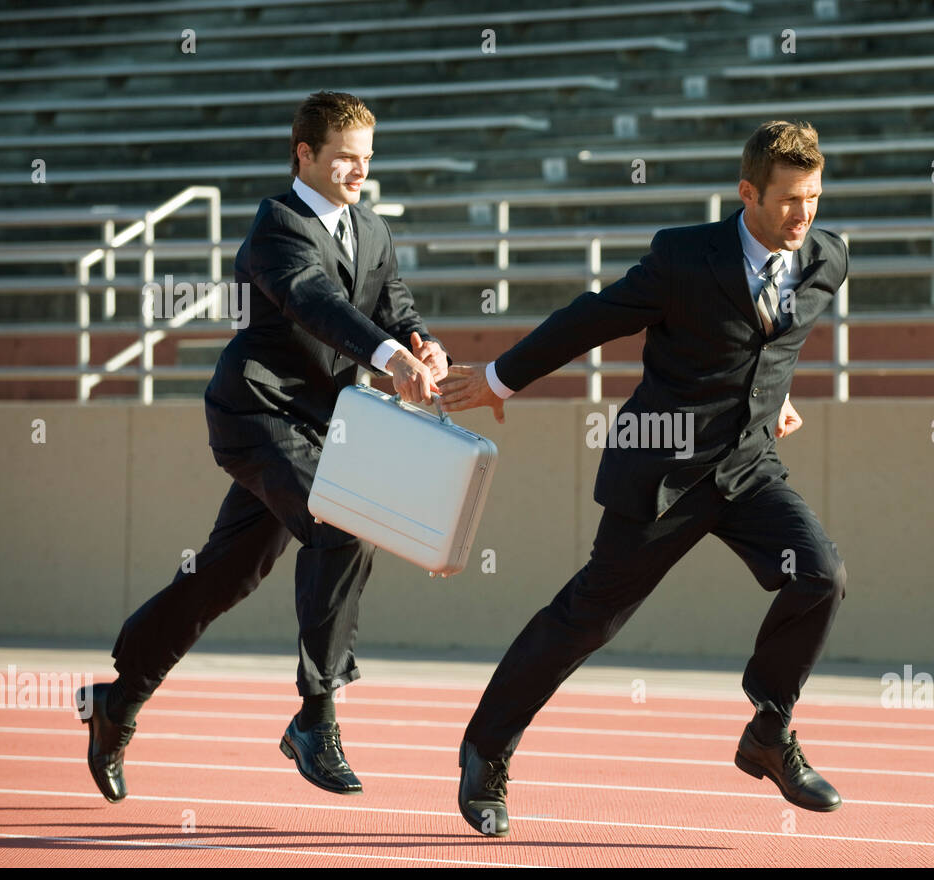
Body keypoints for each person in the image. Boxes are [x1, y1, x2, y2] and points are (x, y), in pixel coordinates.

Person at [443, 120, 850, 837]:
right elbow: (592, 319)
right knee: (587, 619)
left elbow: (771, 336)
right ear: (747, 192)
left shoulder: (826, 257)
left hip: (748, 466)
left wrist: (770, 392)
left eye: (815, 197)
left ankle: (769, 730)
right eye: (790, 200)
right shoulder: (685, 258)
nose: (804, 214)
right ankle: (484, 750)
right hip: (663, 469)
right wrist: (501, 380)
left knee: (821, 574)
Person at [77, 91, 447, 802]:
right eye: (344, 158)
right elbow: (314, 300)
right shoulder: (276, 226)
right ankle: (316, 715)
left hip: (319, 427)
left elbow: (391, 302)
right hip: (258, 414)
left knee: (228, 574)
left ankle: (117, 700)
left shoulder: (372, 227)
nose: (358, 171)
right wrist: (388, 358)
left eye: (367, 159)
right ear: (303, 154)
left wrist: (419, 342)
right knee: (342, 520)